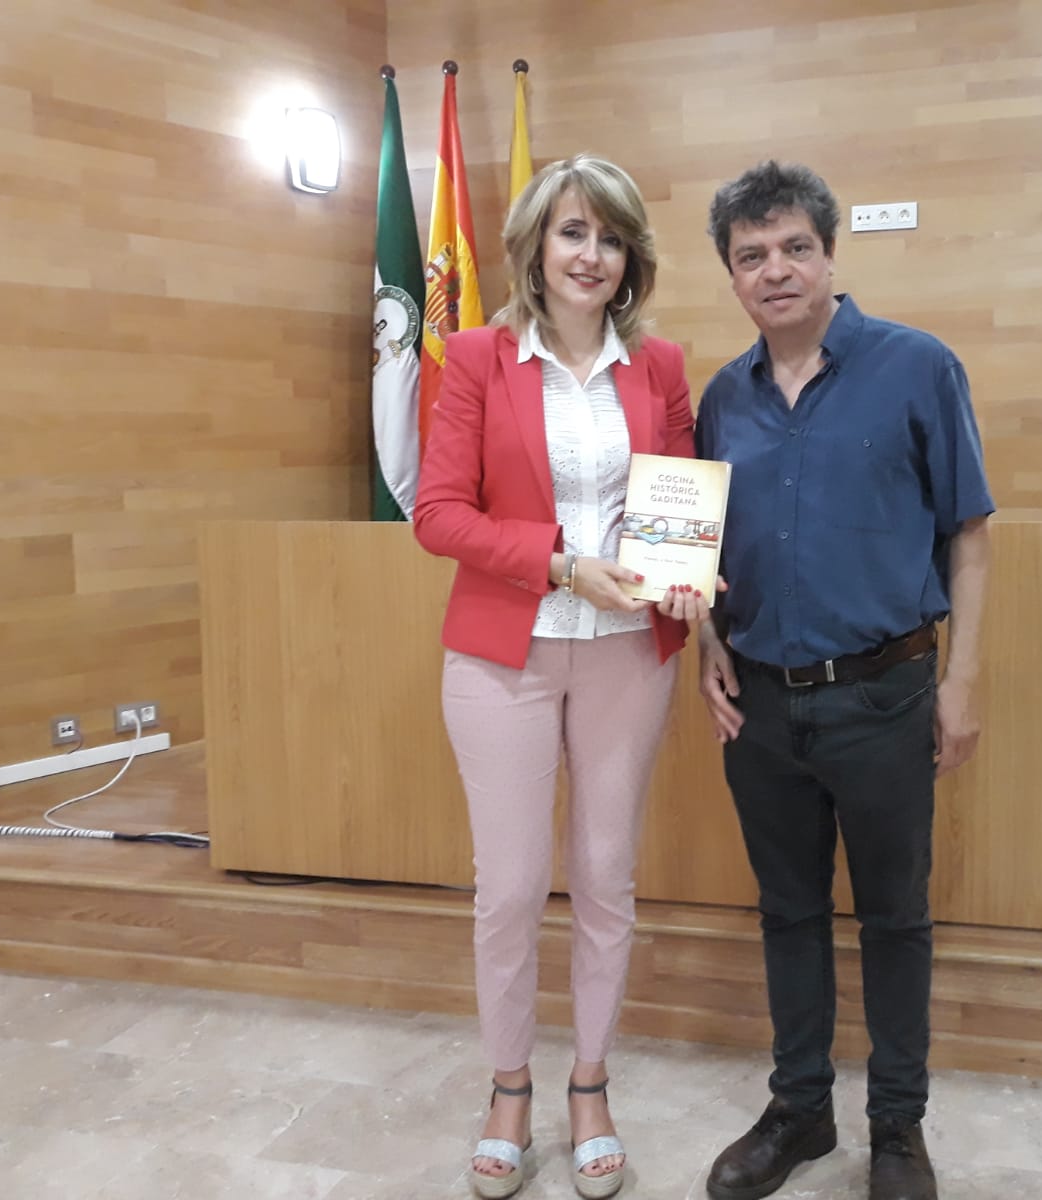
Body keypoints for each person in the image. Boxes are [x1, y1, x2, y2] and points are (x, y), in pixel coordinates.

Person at [691, 161, 994, 1200]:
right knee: (787, 913)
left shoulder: (916, 368)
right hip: (762, 706)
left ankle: (897, 1128)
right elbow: (700, 552)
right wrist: (706, 644)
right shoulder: (720, 398)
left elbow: (970, 533)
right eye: (750, 256)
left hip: (884, 695)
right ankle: (800, 1111)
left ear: (827, 253)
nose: (774, 271)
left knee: (895, 918)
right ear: (731, 276)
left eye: (793, 248)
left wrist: (963, 681)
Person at [413, 154, 709, 1200]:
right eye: (575, 232)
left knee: (605, 879)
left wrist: (680, 582)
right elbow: (437, 514)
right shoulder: (474, 359)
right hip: (505, 653)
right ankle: (508, 1090)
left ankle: (589, 1085)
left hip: (629, 655)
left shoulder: (659, 366)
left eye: (612, 237)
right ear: (536, 245)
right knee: (505, 891)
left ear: (632, 259)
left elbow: (676, 506)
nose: (592, 255)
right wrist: (556, 563)